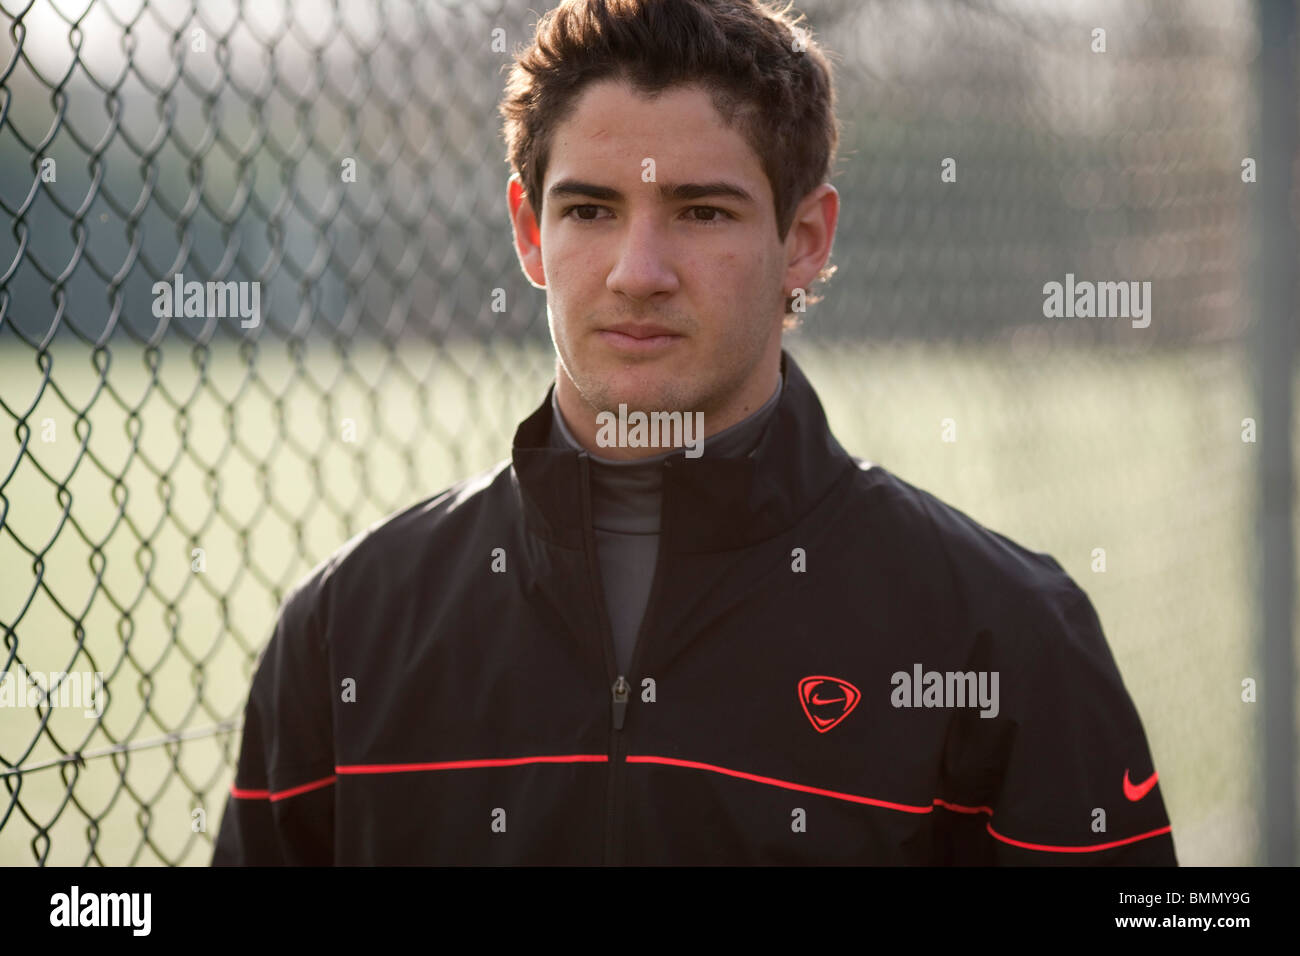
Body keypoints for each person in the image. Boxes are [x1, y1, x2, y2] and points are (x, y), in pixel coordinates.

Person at [213, 0, 1175, 865]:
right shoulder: (348, 629)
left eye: (702, 211)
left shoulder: (999, 637)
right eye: (591, 209)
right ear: (530, 232)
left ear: (804, 240)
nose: (639, 272)